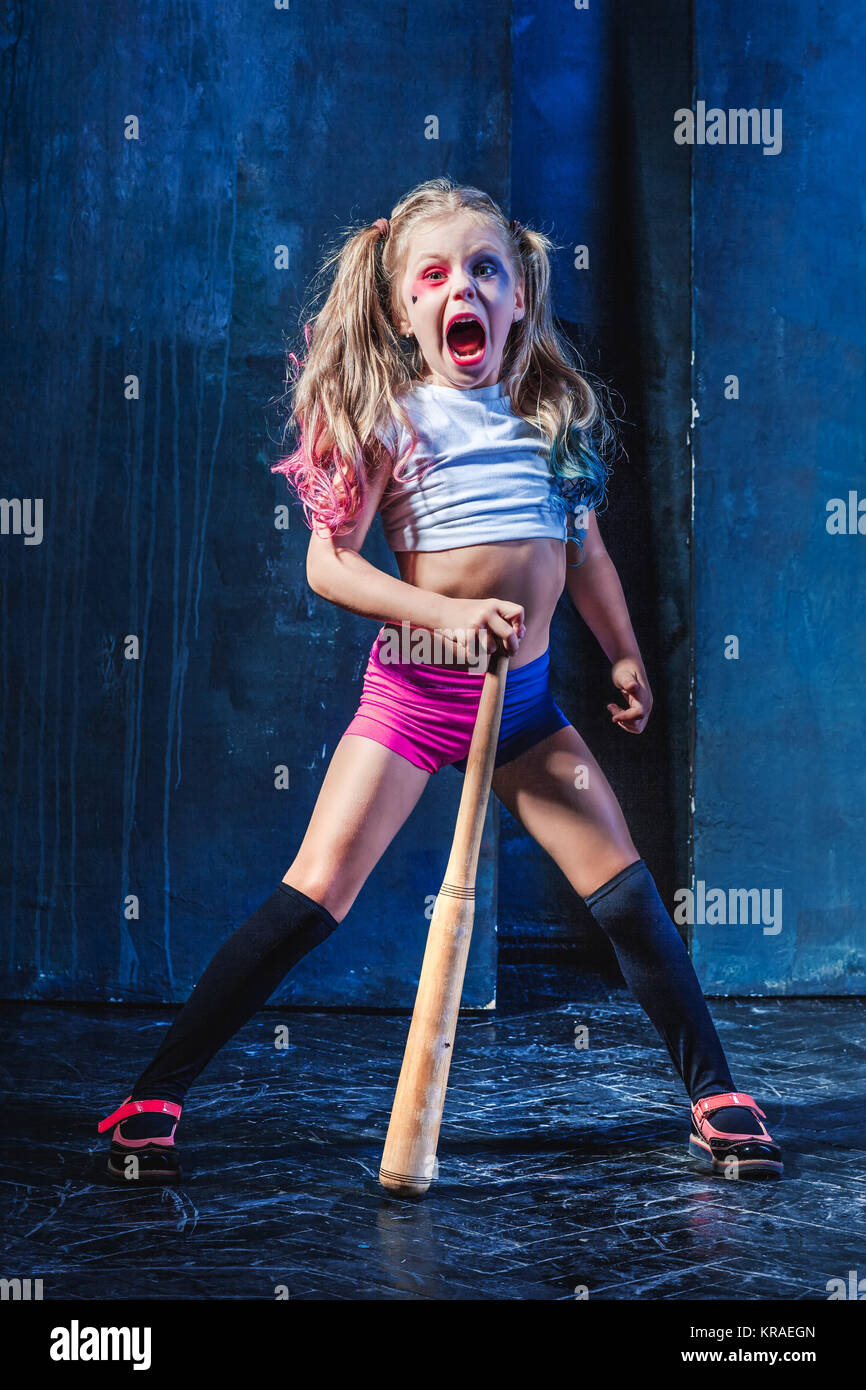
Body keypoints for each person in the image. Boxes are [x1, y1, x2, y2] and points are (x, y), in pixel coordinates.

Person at [97, 177, 781, 1185]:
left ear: (516, 299)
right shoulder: (392, 419)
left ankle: (713, 1092)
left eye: (484, 270)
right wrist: (449, 616)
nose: (461, 287)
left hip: (528, 706)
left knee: (628, 895)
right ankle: (153, 1093)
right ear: (403, 308)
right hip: (414, 698)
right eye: (435, 275)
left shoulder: (551, 416)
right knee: (311, 894)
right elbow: (330, 565)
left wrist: (625, 649)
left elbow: (581, 551)